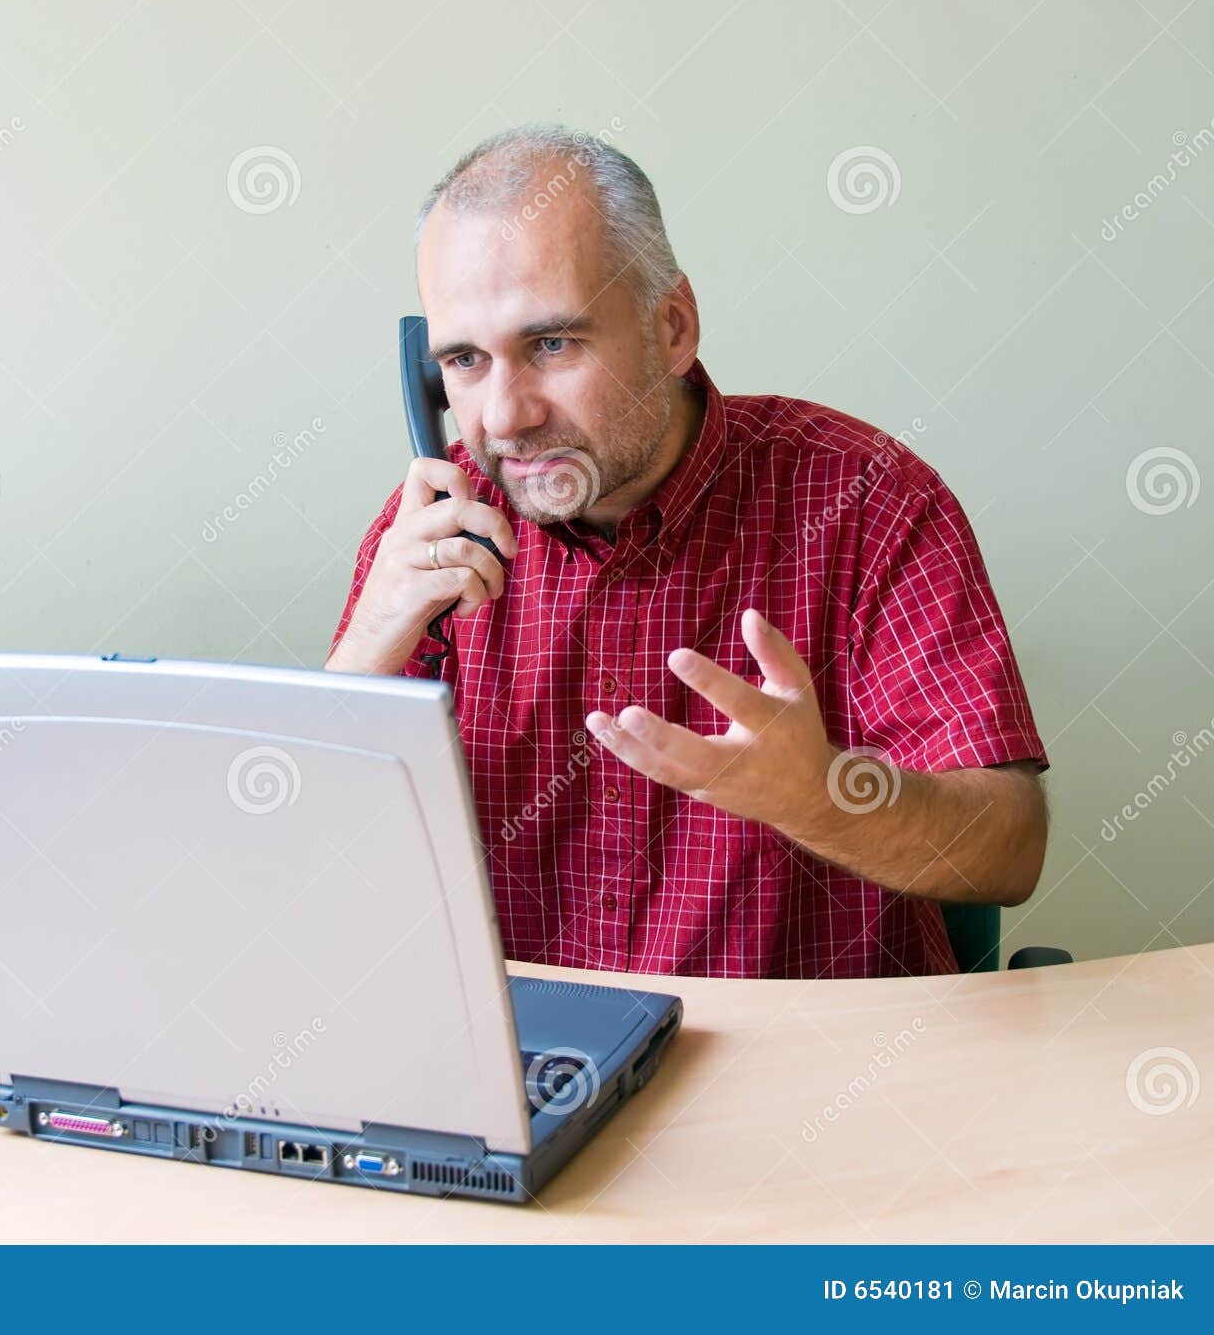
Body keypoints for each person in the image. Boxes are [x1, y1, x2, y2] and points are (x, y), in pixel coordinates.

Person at [327, 125, 1048, 978]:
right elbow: (317, 861)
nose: (504, 416)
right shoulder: (436, 525)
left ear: (671, 327)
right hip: (536, 1071)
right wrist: (368, 646)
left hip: (818, 1074)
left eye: (551, 344)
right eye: (464, 360)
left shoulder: (868, 498)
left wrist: (819, 798)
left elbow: (1011, 847)